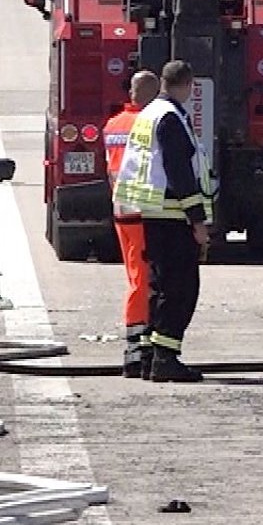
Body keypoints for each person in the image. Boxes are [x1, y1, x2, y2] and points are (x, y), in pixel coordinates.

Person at [112, 60, 211, 383]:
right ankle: (165, 358)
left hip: (151, 213)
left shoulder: (149, 113)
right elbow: (179, 172)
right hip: (172, 215)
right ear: (187, 85)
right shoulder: (170, 118)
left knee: (158, 285)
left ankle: (149, 356)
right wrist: (198, 220)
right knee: (180, 288)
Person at [104, 69, 161, 377]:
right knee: (143, 279)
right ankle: (136, 342)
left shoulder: (113, 124)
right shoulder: (148, 124)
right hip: (142, 210)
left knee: (135, 274)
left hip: (121, 209)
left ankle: (140, 339)